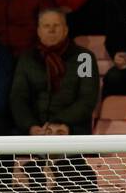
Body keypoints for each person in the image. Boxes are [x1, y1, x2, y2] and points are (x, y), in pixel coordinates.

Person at [9, 7, 98, 135]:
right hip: (35, 129)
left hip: (72, 128)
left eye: (56, 25)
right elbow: (18, 98)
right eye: (46, 26)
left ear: (66, 30)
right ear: (39, 31)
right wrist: (31, 127)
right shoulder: (27, 58)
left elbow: (87, 99)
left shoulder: (84, 58)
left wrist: (58, 123)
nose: (51, 30)